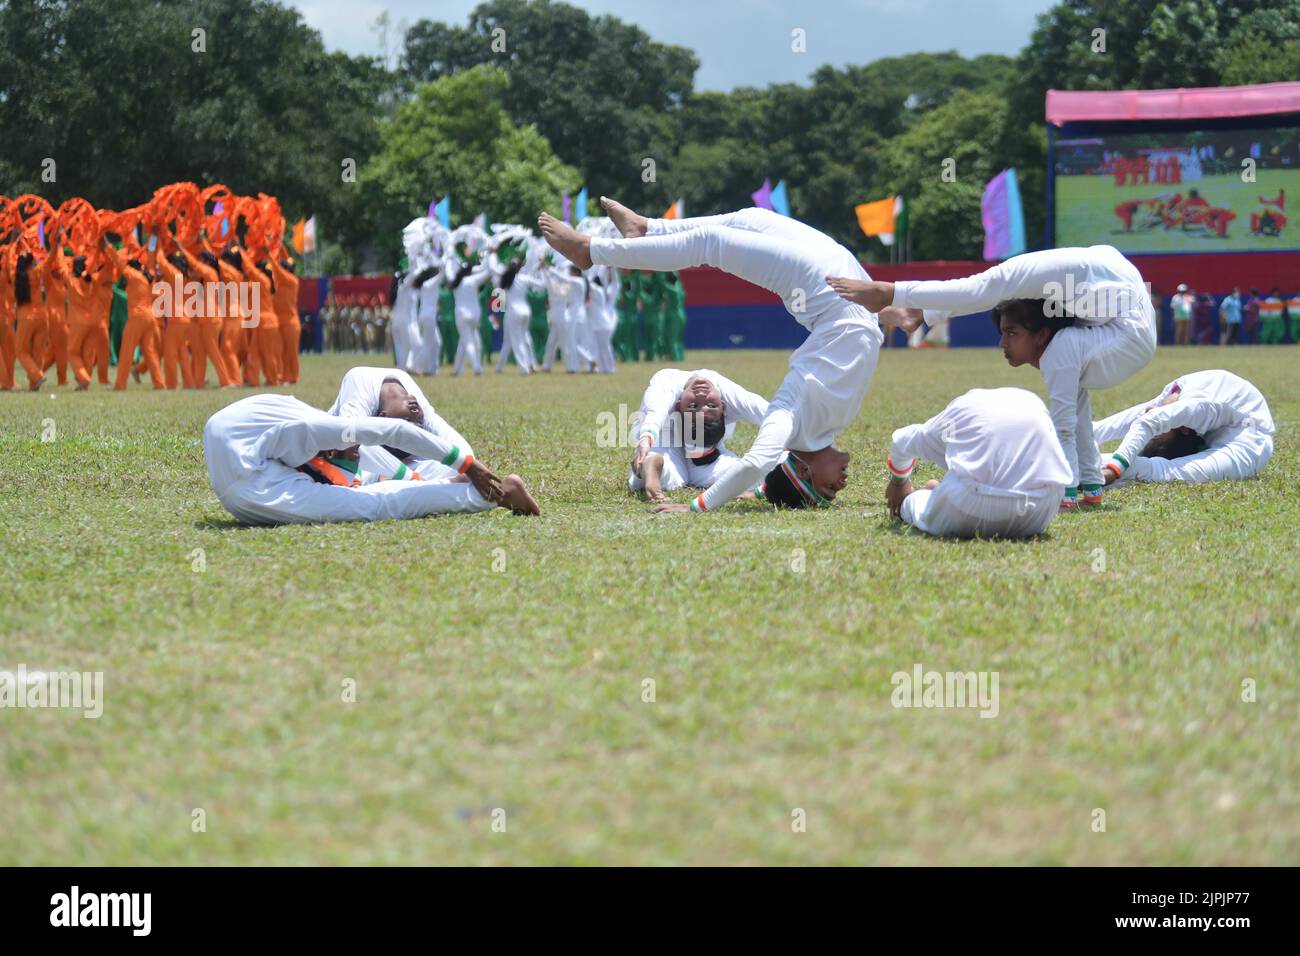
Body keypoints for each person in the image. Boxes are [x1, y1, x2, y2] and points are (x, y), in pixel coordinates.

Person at [540, 197, 881, 513]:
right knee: (752, 218)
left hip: (819, 290)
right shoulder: (826, 430)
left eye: (829, 489)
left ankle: (591, 251)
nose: (842, 484)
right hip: (857, 293)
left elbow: (755, 463)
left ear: (805, 471)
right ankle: (646, 229)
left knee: (712, 243)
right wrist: (893, 309)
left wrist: (695, 507)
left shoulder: (790, 424)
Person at [828, 244, 1157, 509]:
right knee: (1072, 386)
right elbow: (981, 291)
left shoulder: (1028, 277)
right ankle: (1090, 484)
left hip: (1127, 338)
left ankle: (1068, 489)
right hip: (1127, 329)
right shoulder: (1057, 282)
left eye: (1011, 333)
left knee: (1062, 367)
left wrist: (892, 292)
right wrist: (921, 311)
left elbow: (976, 289)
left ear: (1039, 332)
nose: (1003, 343)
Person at [203, 393, 539, 525]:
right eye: (352, 453)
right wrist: (465, 464)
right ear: (331, 451)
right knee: (369, 507)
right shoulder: (315, 431)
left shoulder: (313, 436)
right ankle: (495, 494)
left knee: (356, 490)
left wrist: (449, 475)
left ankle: (454, 487)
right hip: (247, 483)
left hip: (235, 444)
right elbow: (392, 430)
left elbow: (359, 470)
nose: (357, 453)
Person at [886, 388, 1071, 538]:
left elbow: (901, 441)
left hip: (971, 505)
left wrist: (899, 482)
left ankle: (930, 497)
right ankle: (939, 494)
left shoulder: (959, 411)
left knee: (910, 502)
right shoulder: (1032, 402)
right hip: (1042, 508)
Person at [1095, 369, 1273, 484]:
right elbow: (1142, 418)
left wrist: (1113, 469)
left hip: (1250, 444)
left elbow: (1148, 421)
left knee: (1162, 472)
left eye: (1157, 435)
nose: (1151, 410)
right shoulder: (1178, 394)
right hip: (1235, 410)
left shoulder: (1196, 409)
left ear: (1183, 428)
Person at [629, 368, 769, 502]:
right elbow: (655, 411)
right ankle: (652, 462)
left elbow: (774, 416)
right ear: (678, 407)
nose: (701, 395)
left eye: (710, 405)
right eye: (693, 406)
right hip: (664, 433)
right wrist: (646, 439)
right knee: (655, 457)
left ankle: (653, 462)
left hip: (707, 446)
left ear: (724, 407)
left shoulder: (728, 399)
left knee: (730, 469)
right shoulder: (666, 380)